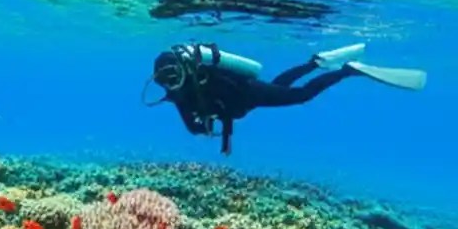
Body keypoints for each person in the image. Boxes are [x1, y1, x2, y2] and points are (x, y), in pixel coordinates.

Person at [145, 42, 426, 155]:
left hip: (247, 93)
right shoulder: (178, 95)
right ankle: (315, 63)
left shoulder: (208, 78)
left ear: (183, 68)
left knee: (300, 95)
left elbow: (225, 108)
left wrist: (225, 139)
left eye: (172, 75)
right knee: (280, 86)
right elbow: (193, 124)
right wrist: (204, 127)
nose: (170, 82)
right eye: (164, 79)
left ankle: (347, 71)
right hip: (249, 100)